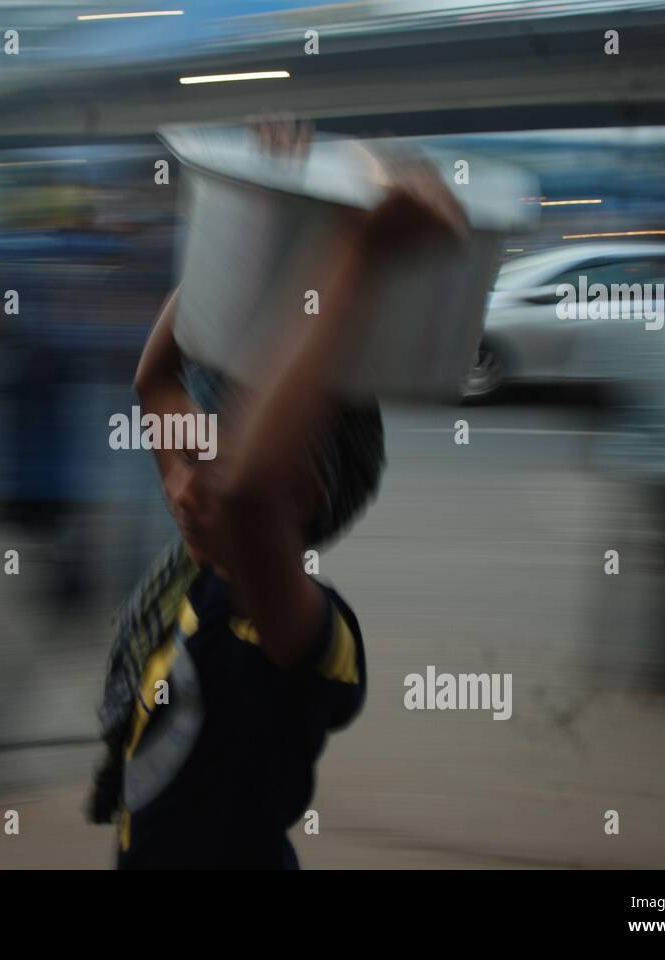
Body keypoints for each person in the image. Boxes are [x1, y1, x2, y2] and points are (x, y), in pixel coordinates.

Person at [87, 146, 469, 868]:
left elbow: (247, 491)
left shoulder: (305, 629)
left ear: (309, 496)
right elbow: (156, 378)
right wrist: (255, 227)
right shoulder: (200, 554)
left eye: (218, 447)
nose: (185, 482)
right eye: (195, 448)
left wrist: (355, 251)